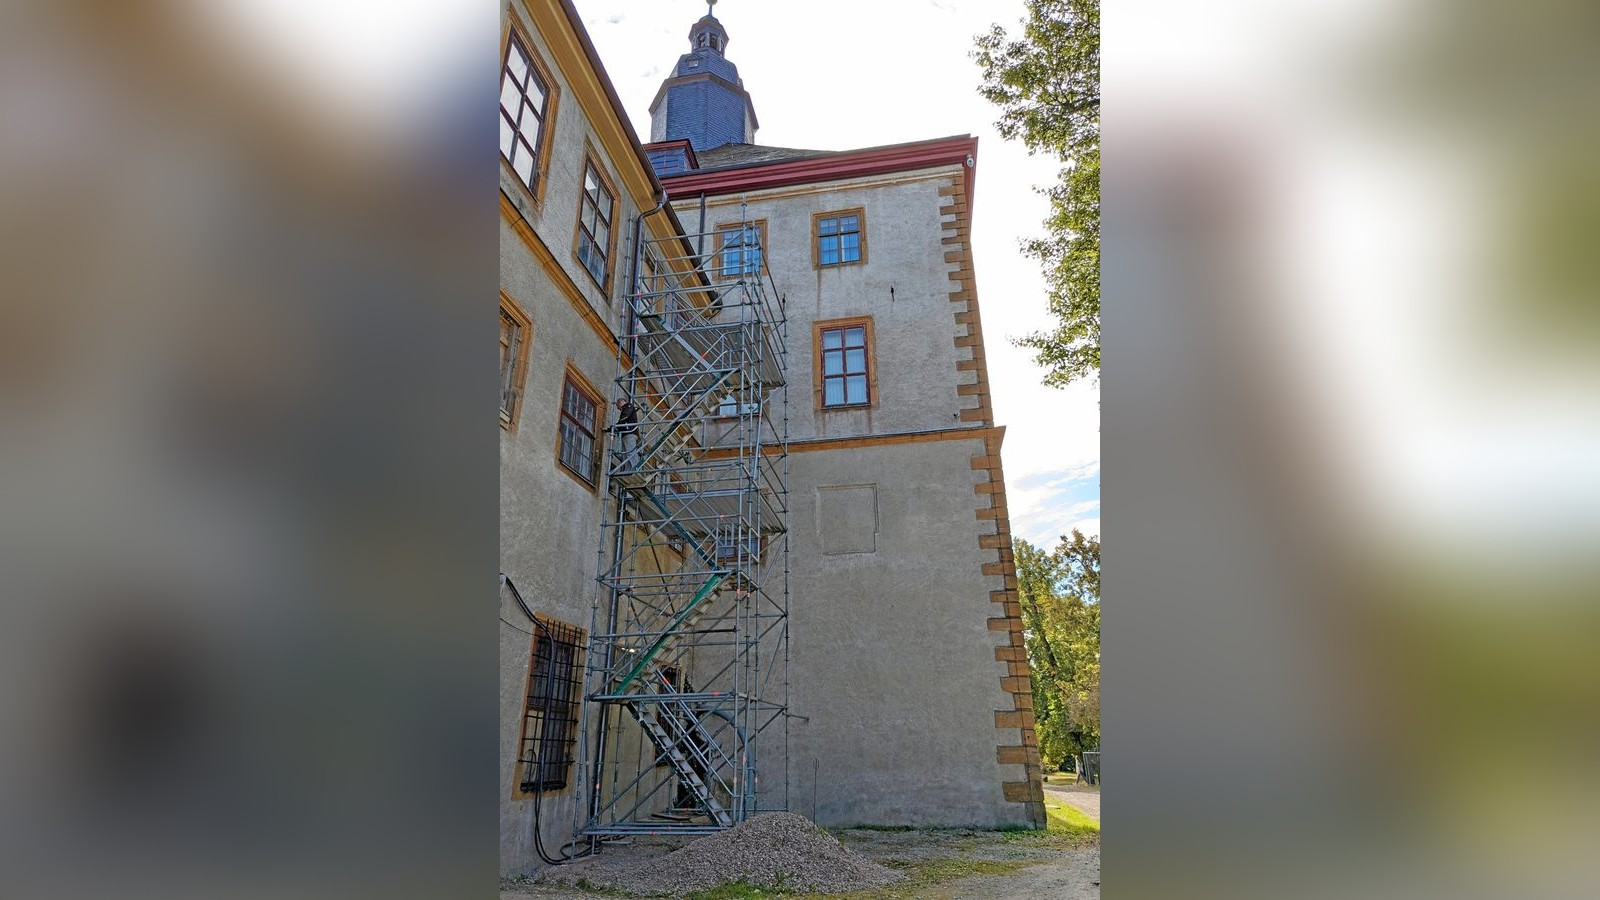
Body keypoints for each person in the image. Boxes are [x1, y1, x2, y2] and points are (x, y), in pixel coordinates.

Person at [614, 397, 640, 473]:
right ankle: (628, 470)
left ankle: (635, 469)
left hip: (630, 434)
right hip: (625, 434)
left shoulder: (629, 406)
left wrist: (617, 425)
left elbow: (625, 416)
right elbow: (621, 424)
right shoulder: (626, 410)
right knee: (625, 455)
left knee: (630, 452)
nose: (619, 409)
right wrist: (609, 429)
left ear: (620, 403)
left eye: (618, 407)